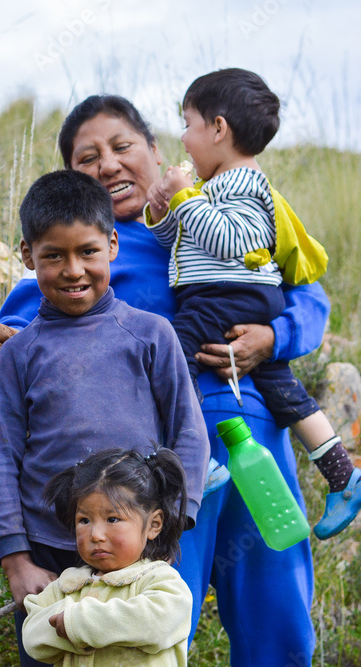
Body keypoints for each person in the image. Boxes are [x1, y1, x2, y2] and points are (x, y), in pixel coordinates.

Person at [0, 95, 328, 666]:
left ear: (157, 151)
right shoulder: (89, 254)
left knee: (277, 616)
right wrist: (0, 342)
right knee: (152, 617)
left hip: (249, 441)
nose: (109, 165)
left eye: (122, 147)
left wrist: (273, 337)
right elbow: (26, 328)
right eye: (87, 158)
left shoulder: (221, 214)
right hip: (144, 477)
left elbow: (308, 295)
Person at [0, 169, 209, 667]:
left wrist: (167, 526)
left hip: (136, 551)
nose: (73, 270)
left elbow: (189, 436)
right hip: (48, 557)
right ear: (27, 256)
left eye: (87, 251)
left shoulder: (151, 335)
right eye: (53, 256)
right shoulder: (20, 354)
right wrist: (17, 561)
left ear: (112, 244)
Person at [145, 68, 359, 539]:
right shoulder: (214, 190)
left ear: (218, 128)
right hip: (233, 295)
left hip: (226, 295)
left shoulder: (244, 184)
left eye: (188, 125)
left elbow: (229, 241)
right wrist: (163, 212)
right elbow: (180, 245)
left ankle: (193, 461)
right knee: (283, 391)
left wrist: (184, 196)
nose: (182, 138)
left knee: (171, 351)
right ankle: (343, 476)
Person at [23, 448, 192, 666]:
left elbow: (155, 623)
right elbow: (33, 638)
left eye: (112, 519)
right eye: (84, 520)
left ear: (154, 524)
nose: (96, 535)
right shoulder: (66, 584)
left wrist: (77, 624)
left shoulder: (162, 582)